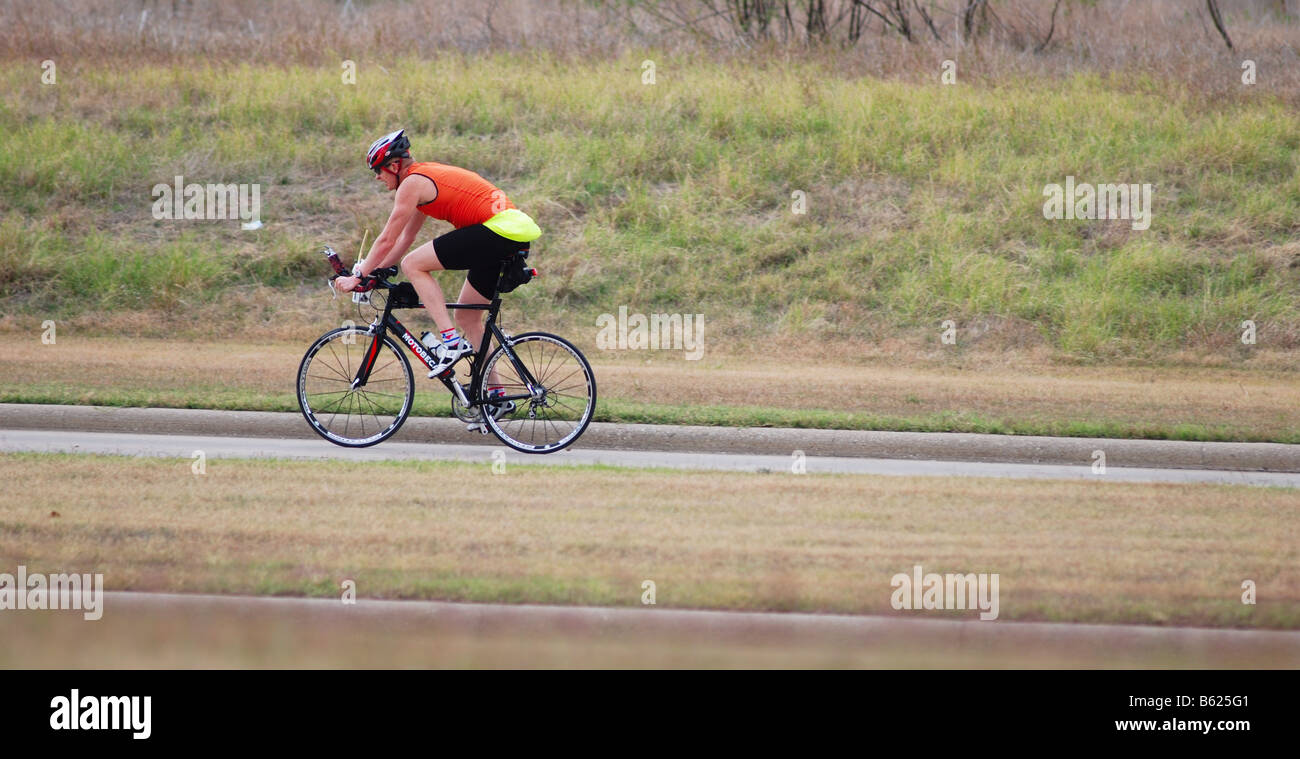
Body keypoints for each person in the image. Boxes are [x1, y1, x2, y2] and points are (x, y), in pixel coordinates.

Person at [335, 129, 541, 423]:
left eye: (378, 171)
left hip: (498, 230)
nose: (377, 179)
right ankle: (496, 395)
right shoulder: (422, 182)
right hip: (508, 233)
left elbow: (386, 238)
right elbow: (404, 239)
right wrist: (376, 271)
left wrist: (357, 276)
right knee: (468, 317)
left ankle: (450, 343)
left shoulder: (413, 183)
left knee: (414, 265)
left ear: (394, 166)